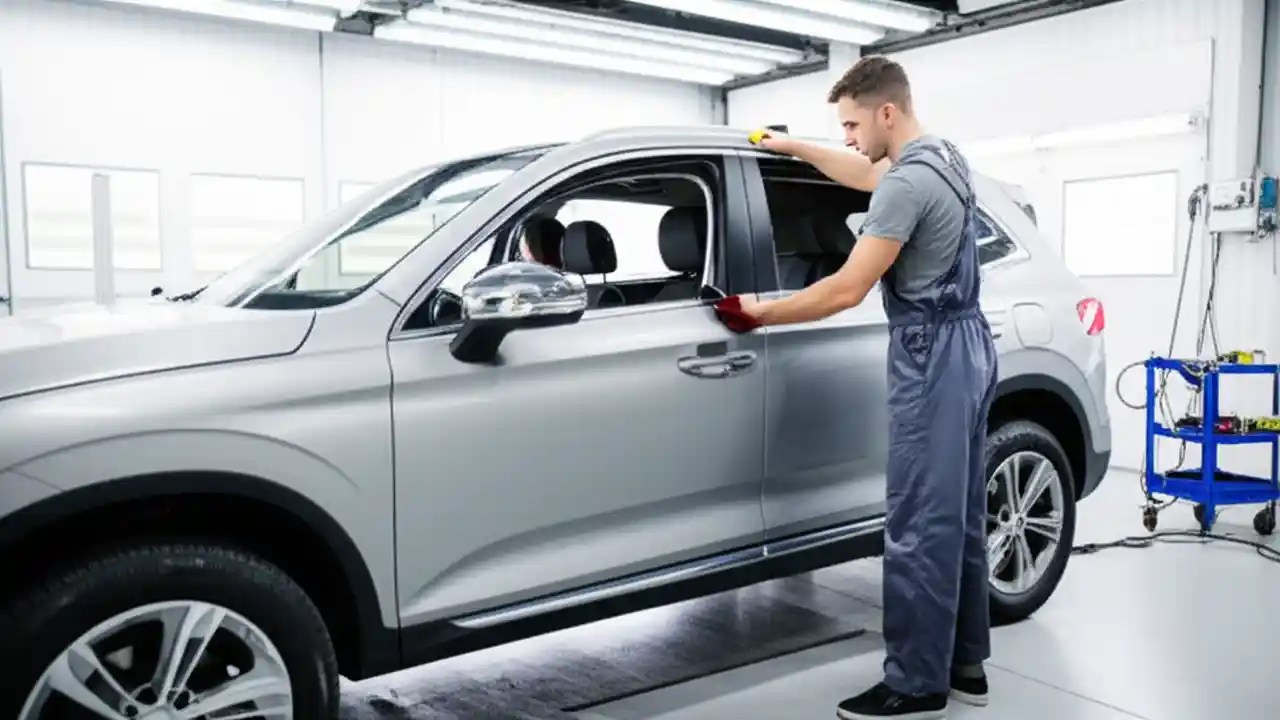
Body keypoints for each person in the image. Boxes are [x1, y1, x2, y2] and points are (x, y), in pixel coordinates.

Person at [736, 56, 999, 720]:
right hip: (970, 342)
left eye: (853, 123)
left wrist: (760, 311)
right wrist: (790, 144)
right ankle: (965, 662)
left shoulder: (905, 187)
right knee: (958, 515)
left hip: (930, 352)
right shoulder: (943, 156)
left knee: (917, 522)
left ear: (887, 112)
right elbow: (861, 171)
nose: (849, 137)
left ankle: (915, 683)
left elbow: (847, 289)